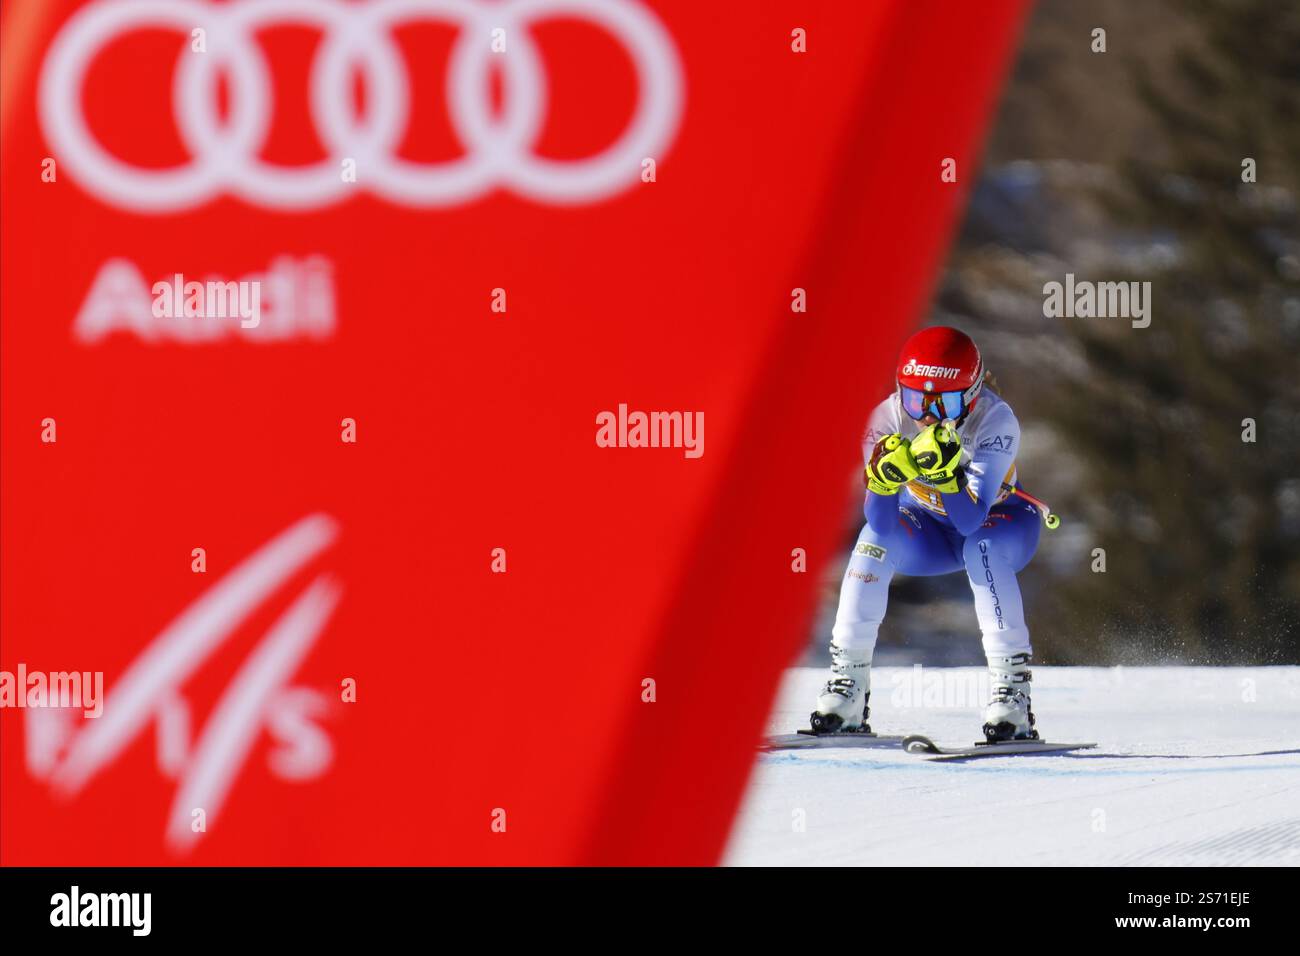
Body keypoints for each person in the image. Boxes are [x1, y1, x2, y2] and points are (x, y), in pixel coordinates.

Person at [811, 326, 1044, 741]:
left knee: (983, 549)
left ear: (972, 396)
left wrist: (946, 477)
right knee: (872, 542)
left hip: (999, 523)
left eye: (947, 403)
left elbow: (971, 520)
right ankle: (848, 684)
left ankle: (1013, 694)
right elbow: (882, 523)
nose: (928, 417)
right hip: (931, 531)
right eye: (917, 399)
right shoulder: (887, 418)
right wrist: (882, 483)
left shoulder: (996, 420)